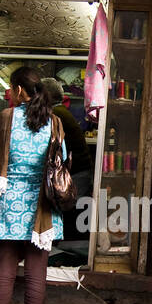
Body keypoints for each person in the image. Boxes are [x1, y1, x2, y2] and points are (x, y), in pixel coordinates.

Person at [0, 66, 65, 304]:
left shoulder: (6, 118)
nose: (10, 93)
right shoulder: (55, 123)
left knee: (5, 269)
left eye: (11, 88)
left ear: (20, 90)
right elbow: (63, 161)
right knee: (36, 271)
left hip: (10, 202)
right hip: (42, 207)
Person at [41, 76, 93, 239]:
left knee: (73, 213)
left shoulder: (55, 115)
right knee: (74, 212)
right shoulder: (61, 111)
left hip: (76, 173)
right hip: (79, 170)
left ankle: (72, 252)